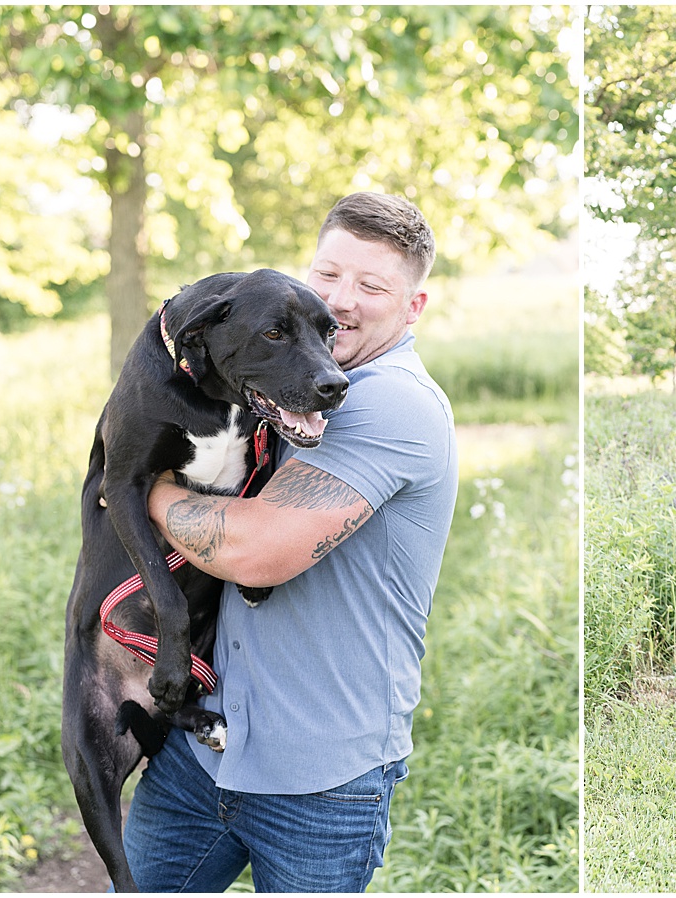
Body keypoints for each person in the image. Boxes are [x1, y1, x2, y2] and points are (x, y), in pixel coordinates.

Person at [122, 192, 458, 890]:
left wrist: (134, 486)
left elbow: (254, 552)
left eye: (372, 286)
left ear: (413, 307)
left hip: (320, 780)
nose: (341, 302)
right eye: (328, 275)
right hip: (208, 746)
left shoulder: (386, 401)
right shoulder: (282, 380)